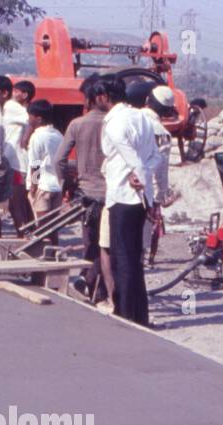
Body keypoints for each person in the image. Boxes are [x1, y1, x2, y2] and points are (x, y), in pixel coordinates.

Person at [101, 78, 163, 326]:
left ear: (104, 96)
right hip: (138, 197)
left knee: (122, 259)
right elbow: (155, 157)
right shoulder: (144, 120)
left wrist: (138, 174)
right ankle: (139, 315)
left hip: (123, 195)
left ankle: (126, 317)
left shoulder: (116, 122)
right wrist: (145, 178)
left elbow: (129, 154)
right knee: (133, 258)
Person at [58, 78, 111, 301]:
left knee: (91, 243)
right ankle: (100, 289)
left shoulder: (77, 124)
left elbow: (59, 160)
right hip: (113, 195)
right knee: (108, 246)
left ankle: (89, 283)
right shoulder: (113, 123)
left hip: (88, 194)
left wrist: (67, 185)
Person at [141, 85, 176, 268]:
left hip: (122, 188)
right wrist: (161, 194)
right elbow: (160, 170)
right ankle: (147, 261)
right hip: (148, 192)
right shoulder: (163, 134)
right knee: (148, 229)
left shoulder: (129, 120)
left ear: (147, 100)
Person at [3, 77, 34, 233]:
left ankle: (23, 234)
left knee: (17, 203)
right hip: (19, 162)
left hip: (17, 163)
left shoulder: (13, 107)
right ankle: (27, 232)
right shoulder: (14, 107)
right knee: (21, 202)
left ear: (25, 95)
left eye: (16, 91)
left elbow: (31, 119)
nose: (13, 93)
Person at [26, 99, 63, 217]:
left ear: (38, 119)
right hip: (57, 186)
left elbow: (35, 164)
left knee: (43, 228)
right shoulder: (58, 134)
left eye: (30, 116)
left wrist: (33, 187)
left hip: (42, 186)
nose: (28, 119)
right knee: (53, 228)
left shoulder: (36, 136)